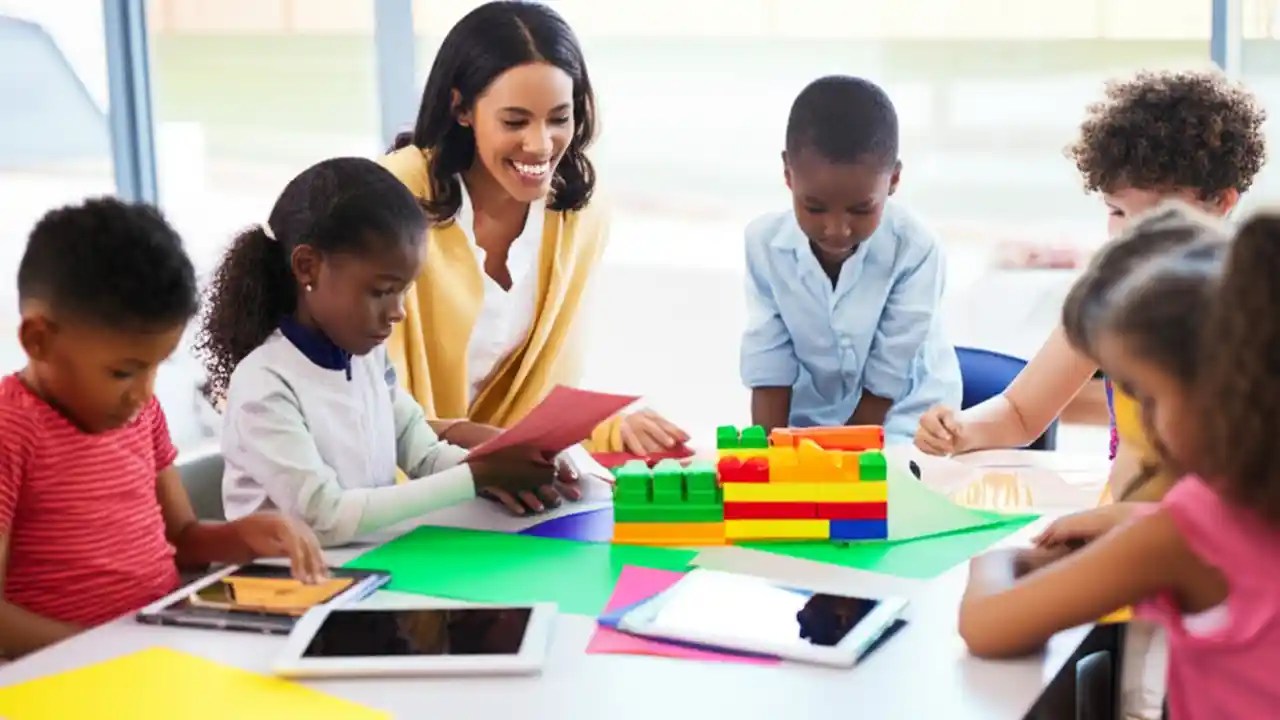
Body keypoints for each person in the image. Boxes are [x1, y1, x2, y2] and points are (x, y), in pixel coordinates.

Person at [960, 213, 1280, 719]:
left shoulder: (1178, 536)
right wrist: (1129, 521)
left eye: (1149, 397)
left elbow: (986, 626)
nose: (1146, 424)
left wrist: (996, 560)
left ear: (1216, 390)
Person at [914, 69, 1267, 501]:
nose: (1131, 233)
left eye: (1158, 213)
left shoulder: (1252, 306)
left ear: (1223, 202)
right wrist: (960, 430)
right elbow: (1021, 411)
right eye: (1117, 212)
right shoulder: (1109, 293)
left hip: (1200, 532)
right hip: (1118, 522)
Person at [0, 198, 326, 658]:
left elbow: (183, 538)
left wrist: (248, 534)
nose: (142, 393)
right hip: (68, 676)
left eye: (156, 367)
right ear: (38, 340)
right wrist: (98, 652)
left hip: (161, 643)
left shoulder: (139, 412)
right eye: (122, 372)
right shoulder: (10, 430)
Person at [197, 158, 571, 547]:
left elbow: (423, 456)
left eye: (404, 290)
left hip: (362, 567)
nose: (399, 312)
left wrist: (505, 472)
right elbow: (324, 518)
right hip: (286, 589)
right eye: (381, 292)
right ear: (308, 267)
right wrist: (477, 476)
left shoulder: (366, 357)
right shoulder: (264, 383)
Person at [379, 0, 688, 461]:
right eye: (515, 121)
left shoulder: (580, 214)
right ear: (461, 108)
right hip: (395, 484)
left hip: (498, 484)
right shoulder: (395, 194)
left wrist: (609, 426)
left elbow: (534, 400)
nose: (541, 144)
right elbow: (364, 401)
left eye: (559, 118)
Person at [741, 75, 961, 445]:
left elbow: (888, 374)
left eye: (861, 209)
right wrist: (767, 453)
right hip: (808, 422)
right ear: (787, 174)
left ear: (893, 180)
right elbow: (769, 361)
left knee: (882, 491)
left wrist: (841, 453)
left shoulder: (916, 249)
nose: (837, 229)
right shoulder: (764, 244)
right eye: (814, 207)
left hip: (908, 422)